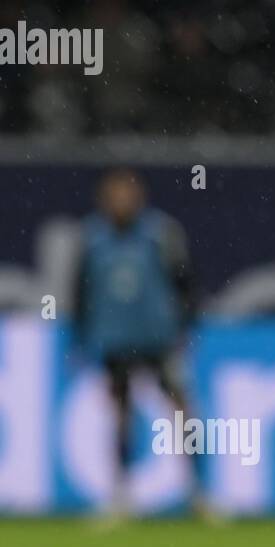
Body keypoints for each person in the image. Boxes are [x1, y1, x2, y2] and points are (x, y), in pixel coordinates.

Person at [73, 168, 196, 518]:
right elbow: (80, 291)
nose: (121, 202)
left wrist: (183, 328)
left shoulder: (161, 234)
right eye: (114, 195)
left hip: (159, 338)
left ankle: (197, 491)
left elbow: (186, 283)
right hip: (115, 339)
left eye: (126, 194)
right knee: (122, 417)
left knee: (182, 412)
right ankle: (121, 495)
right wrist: (83, 337)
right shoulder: (92, 238)